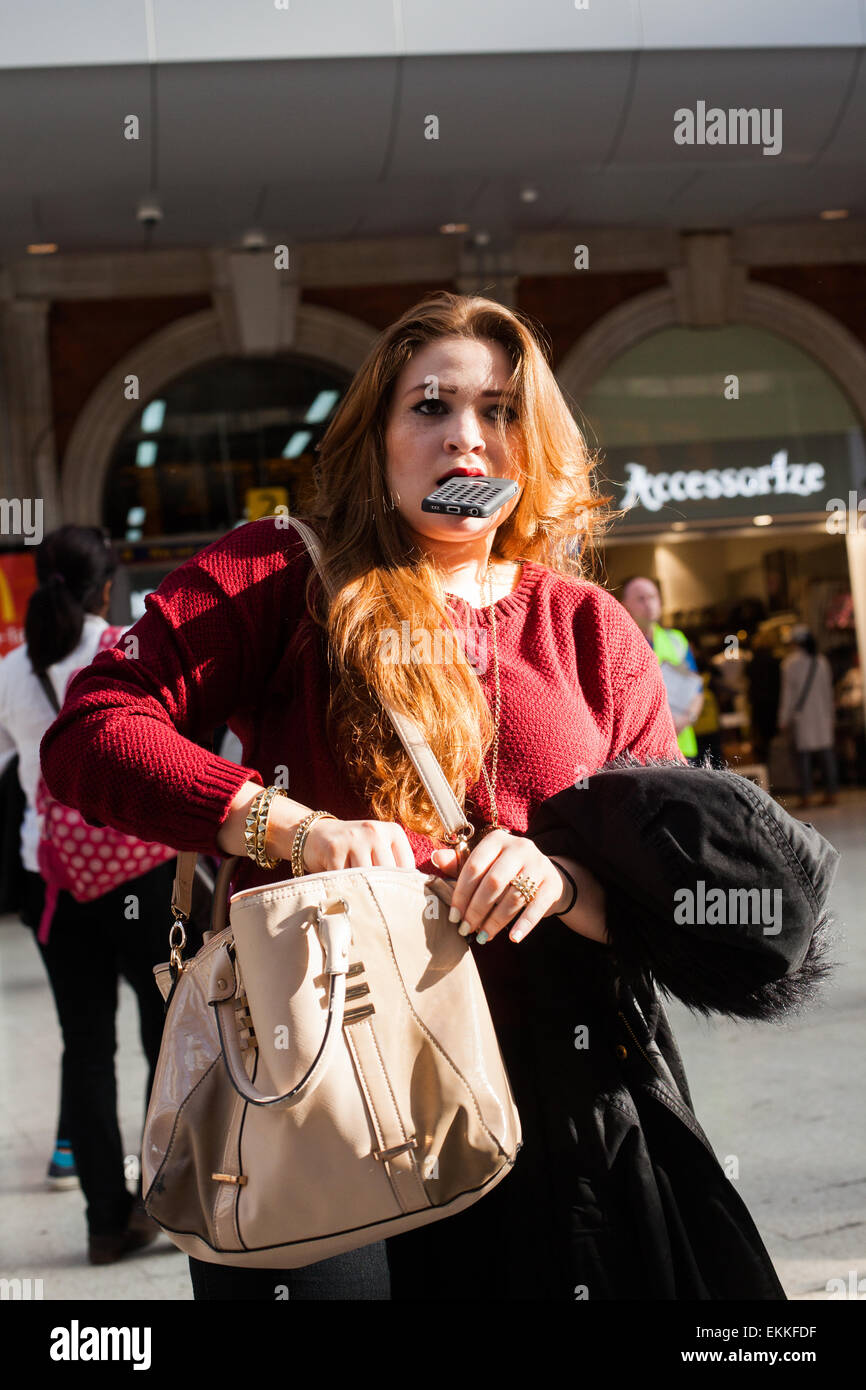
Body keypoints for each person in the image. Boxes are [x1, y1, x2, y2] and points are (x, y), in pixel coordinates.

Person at [40, 292, 834, 1301]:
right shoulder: (281, 573)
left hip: (559, 1101)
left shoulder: (589, 629)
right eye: (430, 406)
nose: (466, 434)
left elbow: (655, 882)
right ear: (377, 437)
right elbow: (94, 730)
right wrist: (291, 828)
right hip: (324, 1090)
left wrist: (558, 877)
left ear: (531, 441)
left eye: (500, 409)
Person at [0, 525, 181, 1263]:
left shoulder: (11, 669)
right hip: (142, 874)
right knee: (168, 1038)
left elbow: (8, 764)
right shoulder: (127, 649)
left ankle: (105, 1222)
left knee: (87, 1046)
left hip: (57, 883)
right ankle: (165, 1198)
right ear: (108, 587)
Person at [619, 576, 704, 760]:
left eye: (653, 597)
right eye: (640, 599)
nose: (648, 604)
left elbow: (697, 689)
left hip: (681, 747)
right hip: (642, 752)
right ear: (625, 606)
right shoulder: (621, 643)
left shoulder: (676, 640)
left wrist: (687, 719)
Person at [778, 624, 838, 809]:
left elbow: (788, 694)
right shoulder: (822, 661)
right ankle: (832, 792)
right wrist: (831, 714)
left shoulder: (790, 664)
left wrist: (783, 718)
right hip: (822, 715)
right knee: (827, 755)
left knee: (803, 758)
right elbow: (828, 691)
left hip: (802, 716)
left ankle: (806, 795)